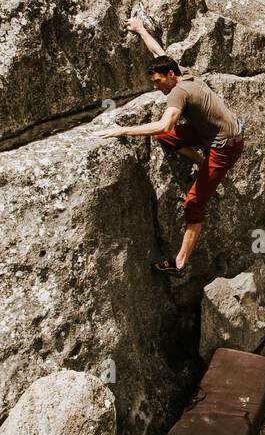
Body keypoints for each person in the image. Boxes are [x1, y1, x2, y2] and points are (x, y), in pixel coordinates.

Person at [95, 17, 245, 272]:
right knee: (166, 139)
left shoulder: (178, 92)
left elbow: (166, 124)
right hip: (208, 133)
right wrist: (140, 29)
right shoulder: (182, 73)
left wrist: (124, 130)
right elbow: (158, 52)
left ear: (170, 76)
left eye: (157, 82)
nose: (156, 88)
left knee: (194, 203)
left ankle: (180, 262)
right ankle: (201, 162)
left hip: (225, 146)